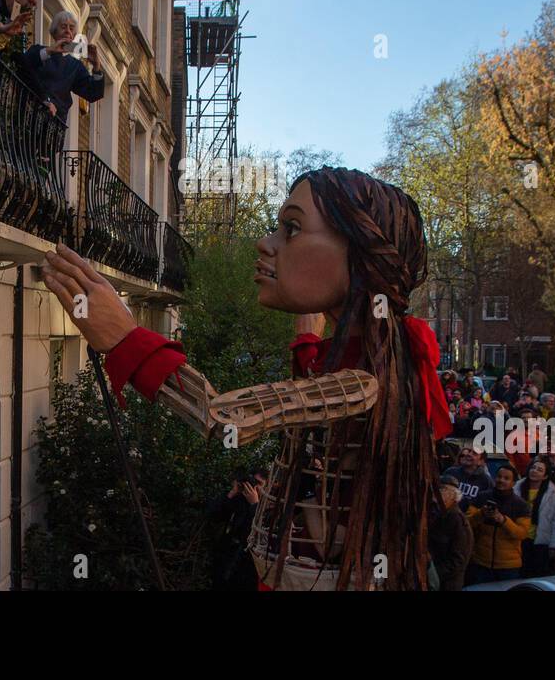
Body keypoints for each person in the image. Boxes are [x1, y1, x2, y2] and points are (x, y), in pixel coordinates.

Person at [39, 166, 454, 590]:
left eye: (291, 228)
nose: (265, 243)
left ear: (359, 255)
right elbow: (313, 401)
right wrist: (307, 343)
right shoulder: (380, 363)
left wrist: (125, 339)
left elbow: (226, 420)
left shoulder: (363, 383)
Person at [24, 11, 106, 121]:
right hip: (29, 115)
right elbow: (25, 63)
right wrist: (50, 50)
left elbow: (93, 93)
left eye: (71, 28)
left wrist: (96, 65)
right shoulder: (39, 50)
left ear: (73, 36)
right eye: (63, 27)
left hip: (55, 125)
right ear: (55, 32)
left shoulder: (74, 65)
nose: (67, 31)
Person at [465, 464, 531, 585]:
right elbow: (467, 524)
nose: (501, 480)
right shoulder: (482, 497)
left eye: (506, 478)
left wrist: (503, 520)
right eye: (499, 477)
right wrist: (481, 514)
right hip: (481, 562)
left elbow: (522, 533)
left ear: (513, 482)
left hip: (508, 566)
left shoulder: (521, 505)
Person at [206, 469, 267, 590]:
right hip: (226, 557)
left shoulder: (268, 507)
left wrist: (255, 504)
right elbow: (213, 515)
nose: (253, 487)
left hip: (247, 566)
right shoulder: (238, 500)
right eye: (252, 482)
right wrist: (232, 492)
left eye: (259, 484)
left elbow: (261, 535)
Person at [517, 459, 555, 577]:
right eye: (533, 468)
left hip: (540, 543)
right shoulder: (517, 488)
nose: (534, 471)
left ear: (545, 476)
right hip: (518, 540)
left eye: (539, 470)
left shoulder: (553, 495)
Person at [428, 476, 474, 591]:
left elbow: (458, 560)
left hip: (447, 583)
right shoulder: (435, 513)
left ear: (454, 496)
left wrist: (432, 574)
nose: (437, 493)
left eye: (443, 490)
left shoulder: (456, 520)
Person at [442, 445, 494, 510]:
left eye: (474, 453)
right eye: (469, 451)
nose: (469, 454)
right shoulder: (450, 472)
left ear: (480, 461)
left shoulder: (486, 481)